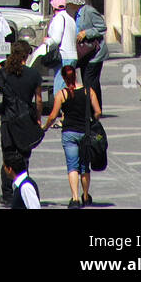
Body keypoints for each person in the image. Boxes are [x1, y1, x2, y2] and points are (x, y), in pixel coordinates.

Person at [0, 40, 43, 207]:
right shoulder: (33, 74)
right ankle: (23, 188)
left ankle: (7, 194)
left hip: (8, 121)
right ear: (26, 55)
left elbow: (2, 75)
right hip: (25, 119)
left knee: (8, 155)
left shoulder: (7, 73)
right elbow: (39, 100)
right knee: (24, 155)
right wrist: (38, 117)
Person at [41, 63, 101, 208]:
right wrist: (92, 120)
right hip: (85, 132)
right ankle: (86, 196)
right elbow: (98, 112)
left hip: (69, 133)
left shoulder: (62, 94)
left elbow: (53, 116)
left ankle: (74, 198)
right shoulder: (89, 91)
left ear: (63, 78)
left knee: (72, 166)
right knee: (84, 166)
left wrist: (44, 127)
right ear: (76, 75)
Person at [65, 0, 108, 105]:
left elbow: (102, 27)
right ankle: (90, 107)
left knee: (90, 82)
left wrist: (86, 33)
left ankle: (95, 108)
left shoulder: (88, 11)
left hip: (95, 53)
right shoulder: (76, 13)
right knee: (86, 80)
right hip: (85, 53)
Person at [43, 0, 79, 94]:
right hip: (72, 56)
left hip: (63, 56)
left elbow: (57, 39)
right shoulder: (70, 19)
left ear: (53, 7)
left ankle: (59, 108)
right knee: (70, 86)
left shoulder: (58, 18)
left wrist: (47, 41)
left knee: (59, 87)